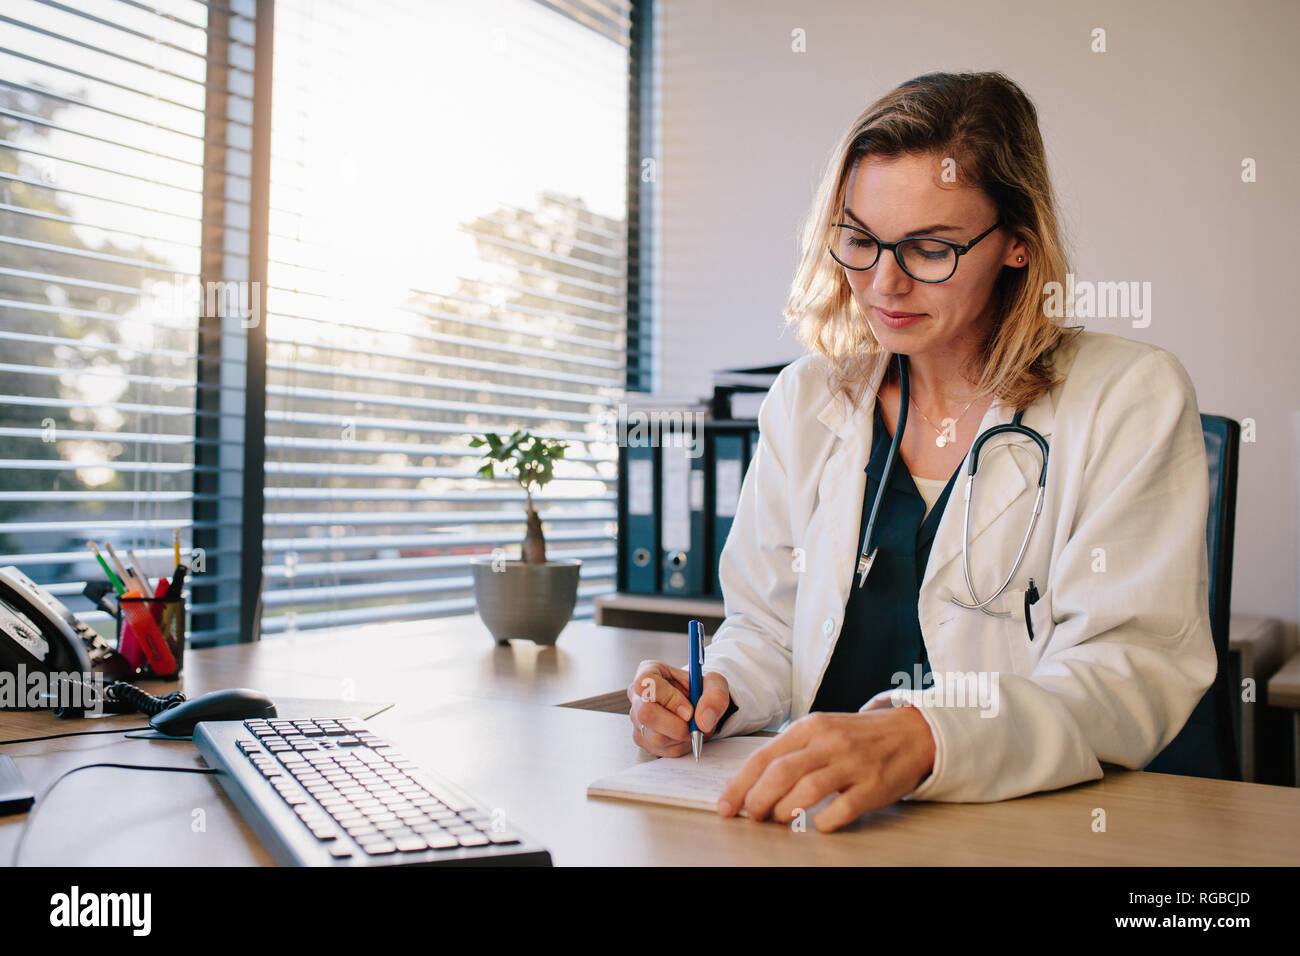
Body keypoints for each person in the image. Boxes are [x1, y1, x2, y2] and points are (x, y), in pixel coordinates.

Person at [625, 71, 1216, 832]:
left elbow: (1124, 674)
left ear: (1017, 245)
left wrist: (922, 736)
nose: (885, 283)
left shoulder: (1129, 395)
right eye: (860, 241)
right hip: (825, 828)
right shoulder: (810, 400)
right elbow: (767, 629)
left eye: (931, 248)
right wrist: (718, 690)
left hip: (1022, 830)